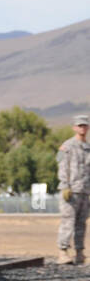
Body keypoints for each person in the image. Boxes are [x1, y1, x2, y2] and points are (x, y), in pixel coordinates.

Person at [57, 113, 89, 264]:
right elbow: (63, 167)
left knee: (82, 223)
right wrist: (65, 186)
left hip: (85, 191)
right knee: (68, 222)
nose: (83, 128)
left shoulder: (88, 148)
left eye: (85, 125)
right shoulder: (67, 146)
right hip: (70, 191)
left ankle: (79, 253)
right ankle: (62, 252)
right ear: (74, 127)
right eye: (80, 125)